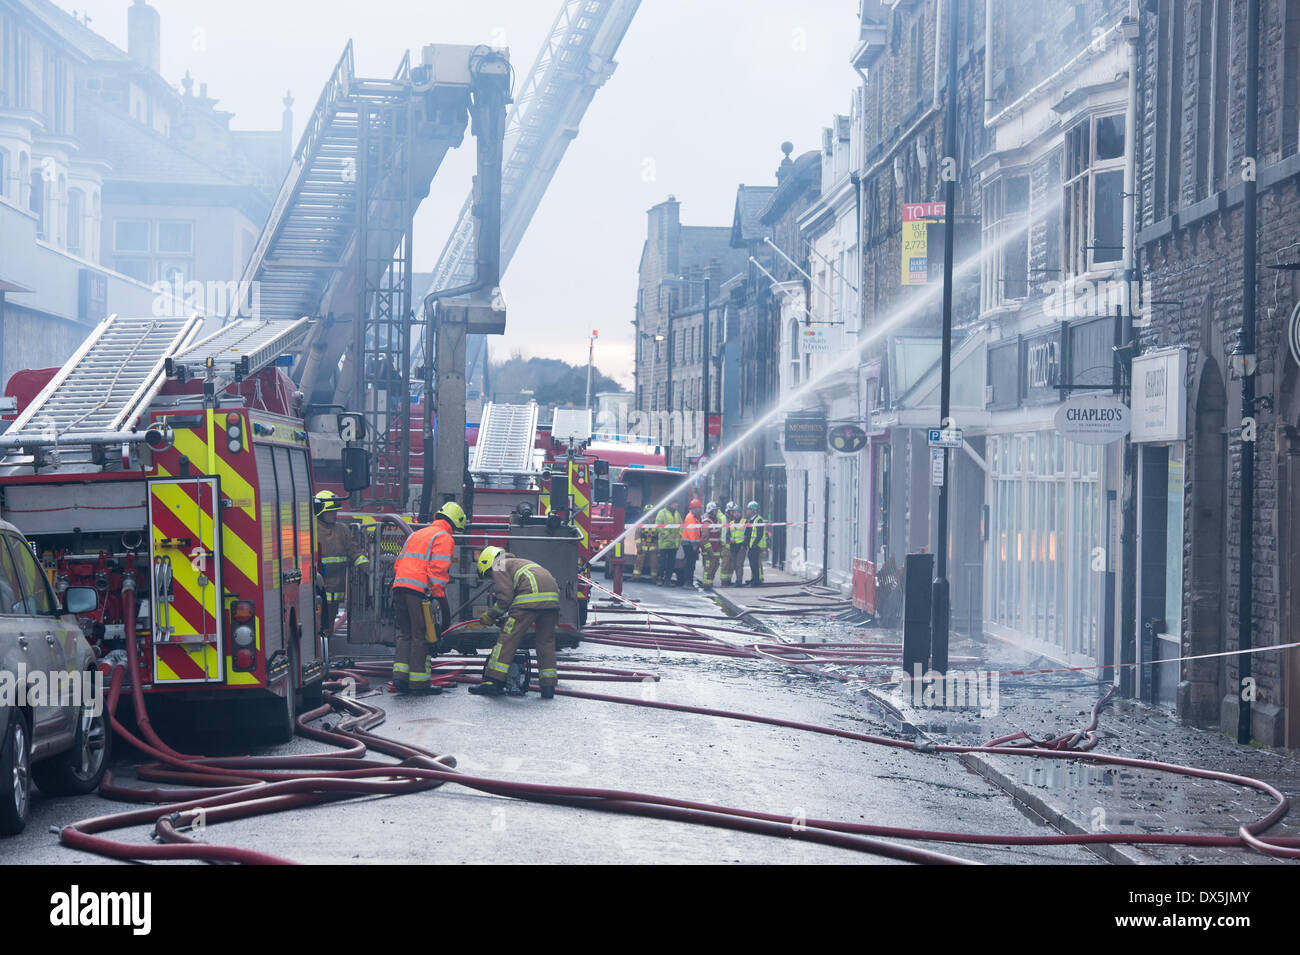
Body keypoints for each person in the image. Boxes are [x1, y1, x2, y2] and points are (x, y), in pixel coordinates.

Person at [390, 501, 465, 694]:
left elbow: (398, 564)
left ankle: (400, 678)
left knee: (405, 634)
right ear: (454, 523)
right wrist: (438, 595)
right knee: (420, 635)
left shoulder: (417, 534)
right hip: (418, 590)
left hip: (399, 587)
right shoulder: (444, 537)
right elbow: (437, 570)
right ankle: (419, 684)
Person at [471, 545, 560, 699]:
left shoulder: (498, 564)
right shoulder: (519, 562)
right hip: (552, 599)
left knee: (507, 638)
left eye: (488, 575)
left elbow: (505, 599)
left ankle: (493, 682)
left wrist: (489, 616)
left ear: (487, 563)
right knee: (546, 643)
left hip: (529, 599)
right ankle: (548, 686)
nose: (492, 578)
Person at [313, 490, 369, 639]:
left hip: (335, 589)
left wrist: (368, 568)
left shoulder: (342, 530)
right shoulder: (311, 529)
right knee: (314, 624)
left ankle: (325, 649)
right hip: (316, 588)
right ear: (320, 511)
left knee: (328, 625)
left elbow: (354, 551)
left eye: (335, 511)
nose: (334, 515)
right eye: (331, 512)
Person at [655, 498, 682, 586]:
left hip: (674, 544)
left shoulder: (677, 514)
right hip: (664, 543)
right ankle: (659, 579)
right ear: (670, 504)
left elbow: (681, 526)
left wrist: (679, 536)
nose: (677, 505)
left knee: (671, 564)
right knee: (662, 563)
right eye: (675, 503)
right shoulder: (662, 513)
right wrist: (666, 535)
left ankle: (668, 580)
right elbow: (659, 526)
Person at [699, 500, 723, 588]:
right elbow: (704, 538)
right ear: (710, 510)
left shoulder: (715, 521)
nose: (716, 512)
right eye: (715, 510)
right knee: (708, 568)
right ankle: (706, 584)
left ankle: (710, 582)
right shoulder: (707, 522)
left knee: (715, 566)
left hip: (716, 549)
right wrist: (709, 550)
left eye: (717, 510)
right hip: (709, 551)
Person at [744, 500, 768, 587]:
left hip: (756, 546)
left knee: (755, 564)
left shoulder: (759, 520)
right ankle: (753, 579)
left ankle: (756, 580)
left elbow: (759, 534)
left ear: (753, 510)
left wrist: (754, 544)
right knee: (752, 564)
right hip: (751, 546)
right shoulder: (750, 520)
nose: (747, 511)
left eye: (748, 509)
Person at [679, 499, 703, 587]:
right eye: (699, 508)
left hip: (690, 544)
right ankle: (687, 582)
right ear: (694, 508)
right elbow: (692, 532)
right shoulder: (690, 518)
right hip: (689, 544)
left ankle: (688, 582)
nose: (700, 510)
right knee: (689, 564)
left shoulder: (693, 517)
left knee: (691, 564)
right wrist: (694, 545)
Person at [633, 505, 658, 579]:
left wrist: (658, 547)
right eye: (648, 511)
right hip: (643, 545)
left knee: (654, 563)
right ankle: (635, 577)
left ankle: (654, 577)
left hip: (653, 545)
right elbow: (637, 535)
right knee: (638, 562)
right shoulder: (642, 522)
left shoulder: (657, 521)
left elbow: (659, 535)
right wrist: (639, 546)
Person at [726, 502, 747, 586]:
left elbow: (747, 534)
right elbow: (727, 534)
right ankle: (738, 580)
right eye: (734, 512)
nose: (736, 514)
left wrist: (744, 545)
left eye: (737, 512)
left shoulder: (745, 522)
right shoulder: (731, 523)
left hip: (741, 546)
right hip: (733, 546)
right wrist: (729, 538)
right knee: (734, 564)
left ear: (740, 513)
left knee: (739, 564)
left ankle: (739, 581)